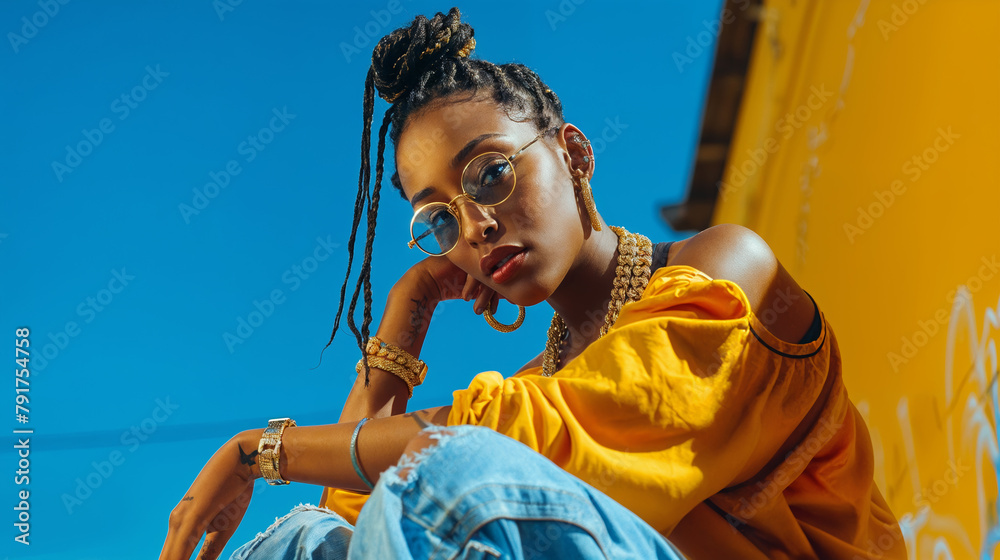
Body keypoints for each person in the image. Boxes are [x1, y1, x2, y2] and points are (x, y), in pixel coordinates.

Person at [158, 7, 906, 560]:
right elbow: (353, 521)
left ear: (574, 153)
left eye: (491, 173)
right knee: (303, 543)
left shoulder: (725, 268)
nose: (476, 227)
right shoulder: (543, 380)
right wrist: (408, 306)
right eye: (441, 221)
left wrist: (261, 450)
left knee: (447, 480)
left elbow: (541, 441)